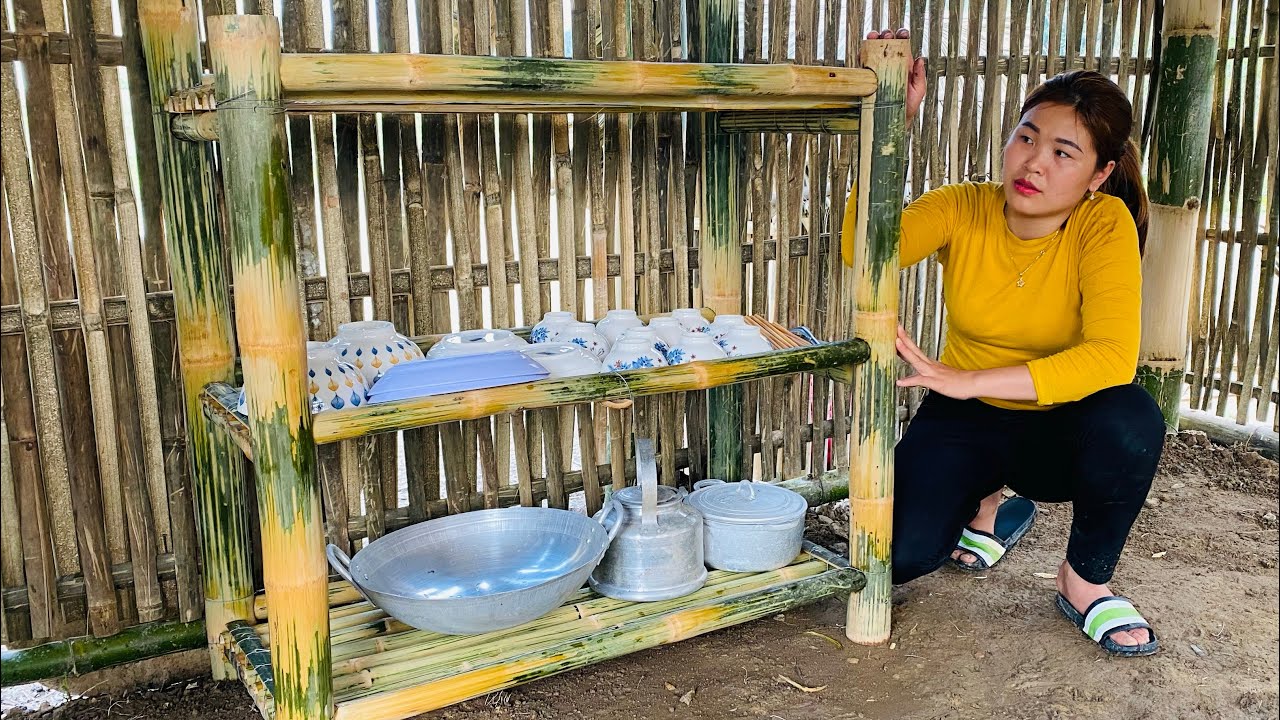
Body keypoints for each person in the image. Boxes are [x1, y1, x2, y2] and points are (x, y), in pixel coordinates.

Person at [851, 29, 1166, 656]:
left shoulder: (1102, 224)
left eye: (1063, 152)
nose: (1034, 163)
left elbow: (1111, 357)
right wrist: (891, 126)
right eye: (1026, 137)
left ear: (1100, 174)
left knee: (1133, 420)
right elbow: (862, 250)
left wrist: (967, 379)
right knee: (901, 556)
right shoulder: (962, 206)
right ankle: (988, 507)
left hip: (1060, 427)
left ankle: (1083, 581)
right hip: (966, 417)